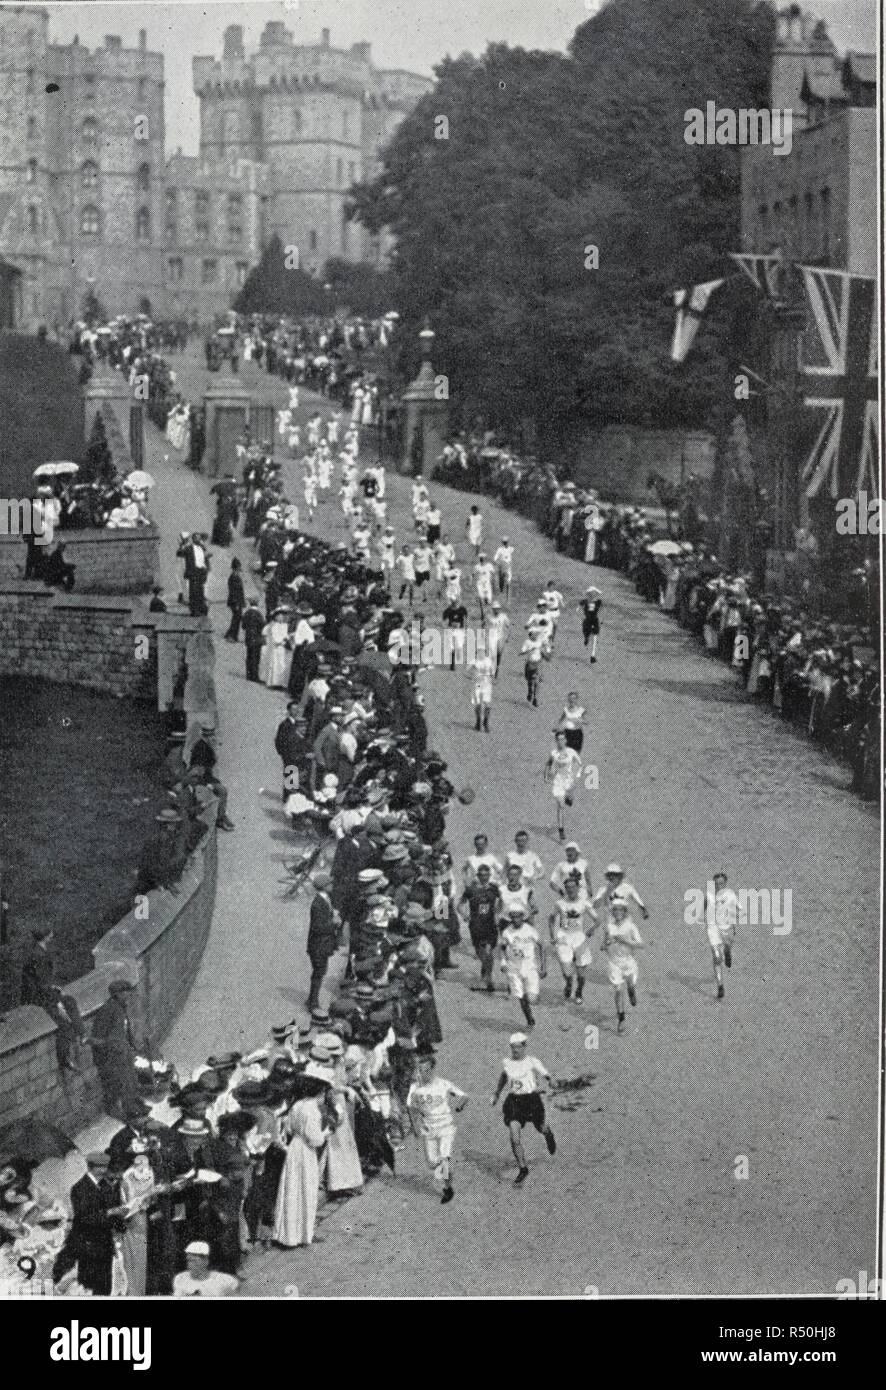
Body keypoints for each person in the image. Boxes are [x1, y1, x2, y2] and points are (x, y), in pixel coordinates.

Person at [272, 1077, 336, 1248]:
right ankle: (303, 1234)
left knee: (291, 1188)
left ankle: (287, 1234)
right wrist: (326, 1133)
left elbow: (289, 1129)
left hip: (294, 1148)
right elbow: (315, 1140)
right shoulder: (312, 1110)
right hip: (306, 1152)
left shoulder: (297, 1105)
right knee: (306, 1191)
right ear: (320, 1093)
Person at [489, 1033, 556, 1185]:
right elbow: (504, 1076)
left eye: (518, 1047)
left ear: (524, 1047)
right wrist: (497, 1093)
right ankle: (523, 1168)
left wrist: (551, 1080)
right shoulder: (507, 1062)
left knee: (541, 1127)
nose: (515, 1050)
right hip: (514, 1102)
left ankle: (548, 1134)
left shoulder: (532, 1061)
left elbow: (545, 1073)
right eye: (512, 1047)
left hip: (532, 1101)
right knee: (514, 1136)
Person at [19, 925, 85, 1071]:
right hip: (37, 998)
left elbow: (41, 980)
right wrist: (57, 1004)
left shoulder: (38, 951)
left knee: (70, 1001)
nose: (53, 934)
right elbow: (41, 985)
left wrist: (53, 987)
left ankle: (82, 1033)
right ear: (47, 935)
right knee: (65, 1024)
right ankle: (64, 1059)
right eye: (50, 932)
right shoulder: (39, 955)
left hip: (41, 992)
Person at [406, 1050, 467, 1205]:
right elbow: (411, 1108)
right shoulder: (415, 1088)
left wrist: (460, 1105)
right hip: (428, 1128)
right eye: (420, 1070)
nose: (422, 1074)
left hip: (445, 1126)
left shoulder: (443, 1084)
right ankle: (446, 1175)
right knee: (433, 1163)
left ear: (432, 1069)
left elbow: (464, 1096)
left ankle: (447, 1188)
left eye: (426, 1070)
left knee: (444, 1159)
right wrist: (415, 1127)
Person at [56, 1152, 119, 1295]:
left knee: (105, 1285)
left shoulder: (107, 1186)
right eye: (101, 1167)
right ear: (92, 1168)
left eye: (105, 1167)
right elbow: (85, 1218)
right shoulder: (79, 1188)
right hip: (87, 1245)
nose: (105, 1170)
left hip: (105, 1243)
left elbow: (112, 1208)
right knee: (88, 1285)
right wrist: (109, 1213)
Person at [87, 979, 141, 1118]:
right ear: (117, 994)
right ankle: (117, 1110)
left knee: (131, 1080)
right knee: (117, 1084)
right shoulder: (108, 1010)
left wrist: (132, 1045)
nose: (128, 995)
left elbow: (125, 1029)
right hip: (112, 1056)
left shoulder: (121, 1007)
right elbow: (96, 1037)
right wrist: (110, 1047)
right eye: (125, 992)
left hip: (123, 1053)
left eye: (128, 992)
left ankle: (133, 1106)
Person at [599, 896, 644, 1034]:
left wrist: (623, 940)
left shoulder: (631, 926)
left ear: (625, 912)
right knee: (618, 990)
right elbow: (604, 944)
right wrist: (605, 945)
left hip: (628, 961)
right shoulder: (609, 927)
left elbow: (640, 944)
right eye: (615, 910)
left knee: (630, 983)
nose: (618, 912)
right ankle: (621, 1019)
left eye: (620, 910)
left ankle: (631, 990)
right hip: (614, 963)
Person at [548, 877, 597, 1002]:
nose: (570, 890)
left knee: (581, 973)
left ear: (578, 888)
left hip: (579, 937)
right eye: (568, 887)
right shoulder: (560, 903)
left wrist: (590, 930)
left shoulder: (584, 903)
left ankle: (579, 992)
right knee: (567, 969)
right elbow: (551, 918)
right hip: (563, 937)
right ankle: (569, 983)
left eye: (573, 887)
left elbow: (597, 920)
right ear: (565, 889)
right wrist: (552, 936)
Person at [458, 862, 501, 991]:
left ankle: (488, 977)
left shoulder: (494, 888)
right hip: (476, 925)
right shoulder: (471, 889)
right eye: (481, 875)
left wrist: (498, 913)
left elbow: (504, 901)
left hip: (490, 924)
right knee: (479, 952)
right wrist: (465, 915)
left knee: (489, 951)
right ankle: (486, 972)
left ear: (489, 875)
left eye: (486, 875)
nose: (484, 877)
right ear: (477, 876)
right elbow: (460, 905)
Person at [500, 905, 544, 1029]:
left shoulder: (530, 930)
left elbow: (541, 946)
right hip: (514, 969)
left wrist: (543, 966)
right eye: (512, 917)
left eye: (518, 917)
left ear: (522, 917)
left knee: (532, 999)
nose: (515, 920)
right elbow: (502, 948)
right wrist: (503, 962)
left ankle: (533, 997)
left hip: (530, 967)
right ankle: (529, 1019)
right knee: (520, 997)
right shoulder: (507, 932)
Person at [306, 871, 341, 1011]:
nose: (332, 885)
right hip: (318, 945)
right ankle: (313, 1003)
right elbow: (318, 927)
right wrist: (334, 923)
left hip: (322, 944)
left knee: (320, 971)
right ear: (324, 887)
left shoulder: (325, 898)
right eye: (330, 883)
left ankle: (311, 999)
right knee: (319, 973)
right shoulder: (317, 904)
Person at [705, 870, 741, 1000]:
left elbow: (737, 908)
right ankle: (720, 985)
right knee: (716, 957)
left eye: (721, 884)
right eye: (716, 884)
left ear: (725, 884)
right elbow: (704, 907)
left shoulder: (730, 895)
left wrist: (734, 923)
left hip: (725, 926)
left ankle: (728, 952)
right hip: (712, 928)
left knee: (726, 947)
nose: (719, 886)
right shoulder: (709, 895)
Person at [544, 730, 583, 842]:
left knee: (568, 799)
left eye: (562, 739)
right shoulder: (554, 753)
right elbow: (548, 763)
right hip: (558, 781)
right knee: (561, 805)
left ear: (566, 740)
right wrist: (546, 776)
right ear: (556, 741)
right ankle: (561, 830)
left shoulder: (571, 752)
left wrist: (576, 776)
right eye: (558, 739)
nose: (560, 741)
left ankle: (568, 797)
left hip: (569, 781)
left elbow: (579, 764)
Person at [172, 1239, 239, 1297]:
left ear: (206, 1261)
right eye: (188, 1261)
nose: (190, 1265)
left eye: (194, 1261)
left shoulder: (224, 1280)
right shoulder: (180, 1278)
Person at [470, 650, 494, 733]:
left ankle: (484, 722)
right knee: (480, 703)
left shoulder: (487, 661)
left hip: (485, 684)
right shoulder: (475, 661)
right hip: (480, 684)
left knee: (486, 704)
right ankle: (479, 722)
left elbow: (491, 673)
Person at [242, 598, 265, 682]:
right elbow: (263, 625)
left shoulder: (246, 613)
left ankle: (248, 674)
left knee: (249, 656)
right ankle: (254, 676)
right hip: (256, 638)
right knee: (256, 658)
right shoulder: (259, 614)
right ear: (257, 604)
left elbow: (243, 626)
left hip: (248, 638)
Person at [578, 587, 602, 662]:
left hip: (594, 620)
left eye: (594, 593)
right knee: (586, 633)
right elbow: (577, 610)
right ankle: (586, 638)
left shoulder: (598, 602)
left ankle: (593, 655)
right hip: (587, 620)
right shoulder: (584, 601)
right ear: (588, 594)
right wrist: (581, 617)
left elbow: (601, 611)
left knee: (594, 637)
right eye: (590, 593)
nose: (592, 595)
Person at [225, 558, 245, 642]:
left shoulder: (236, 577)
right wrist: (236, 603)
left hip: (238, 601)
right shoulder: (233, 578)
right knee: (236, 618)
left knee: (236, 618)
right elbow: (233, 592)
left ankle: (230, 634)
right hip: (235, 602)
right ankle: (232, 636)